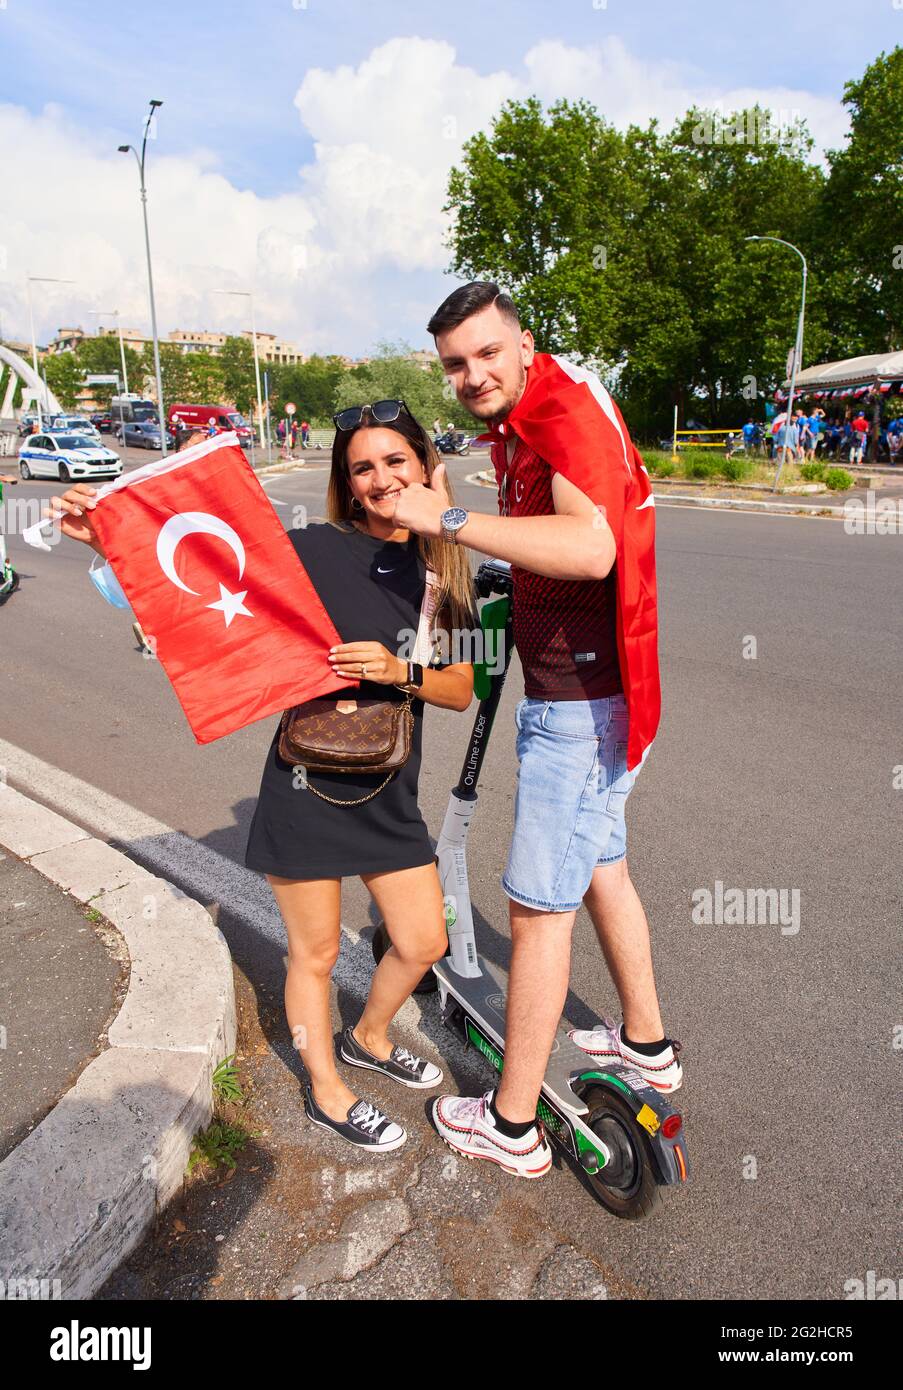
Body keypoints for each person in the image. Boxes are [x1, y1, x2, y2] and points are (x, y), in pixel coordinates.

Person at [48, 401, 476, 1155]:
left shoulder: (449, 564)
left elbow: (461, 687)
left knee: (421, 941)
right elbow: (192, 571)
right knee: (310, 955)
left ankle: (368, 1037)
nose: (380, 479)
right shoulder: (310, 546)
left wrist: (399, 669)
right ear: (346, 481)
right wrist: (107, 544)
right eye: (362, 468)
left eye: (395, 462)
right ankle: (325, 1089)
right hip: (305, 780)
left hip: (389, 786)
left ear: (425, 465)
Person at [394, 280, 681, 1180]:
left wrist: (440, 516)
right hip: (609, 697)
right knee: (601, 869)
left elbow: (589, 547)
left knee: (536, 907)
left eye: (486, 353)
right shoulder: (533, 413)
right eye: (455, 364)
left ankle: (512, 1125)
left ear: (523, 345)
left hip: (580, 710)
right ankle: (645, 1043)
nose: (472, 374)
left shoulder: (558, 414)